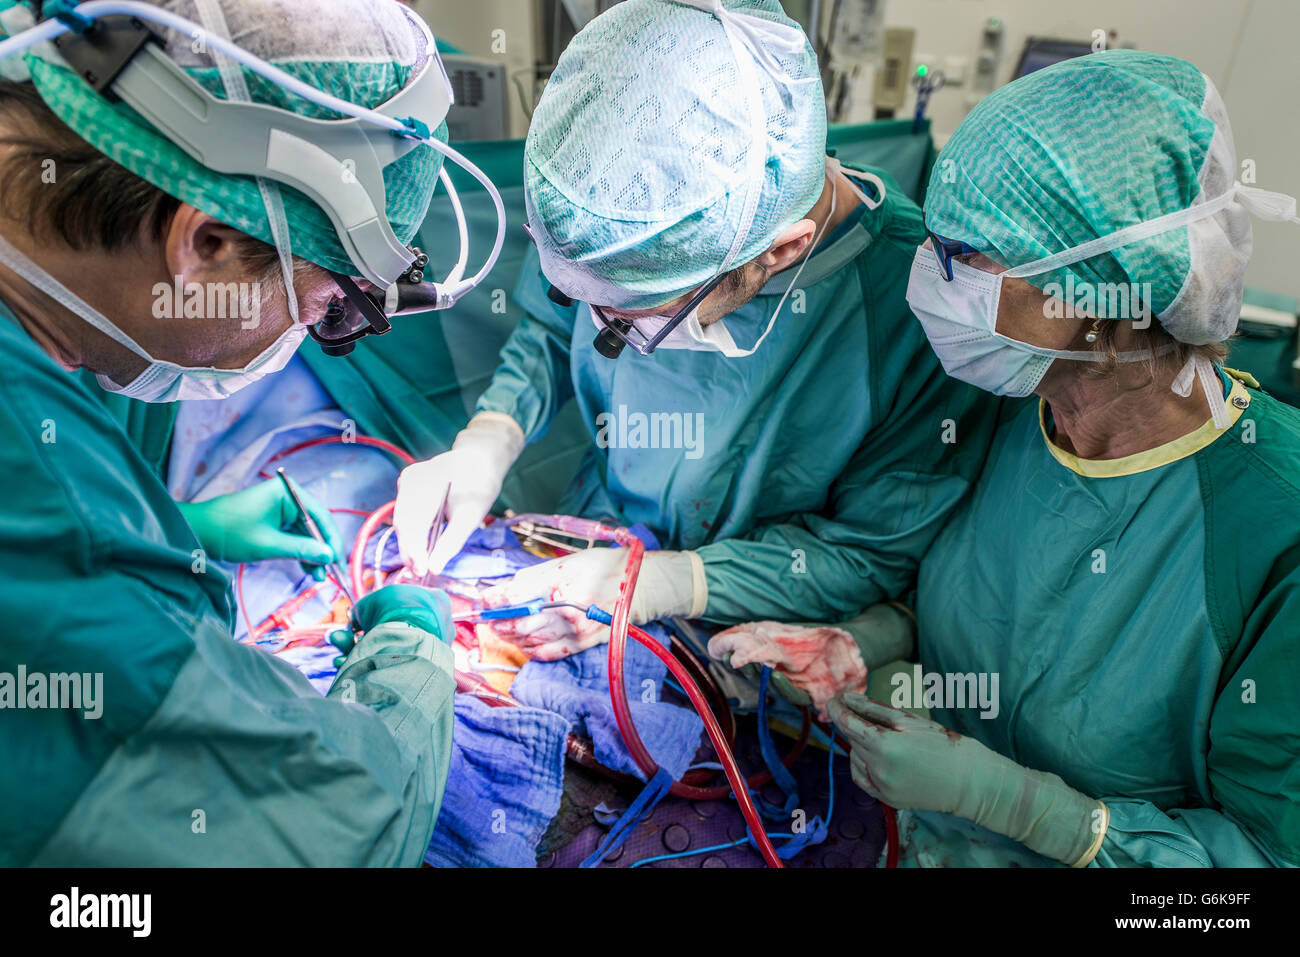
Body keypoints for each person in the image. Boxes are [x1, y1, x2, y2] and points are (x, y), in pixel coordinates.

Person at [722, 50, 1300, 867]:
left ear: (1107, 298)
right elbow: (1006, 611)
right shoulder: (1019, 410)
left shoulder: (1275, 528)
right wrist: (865, 644)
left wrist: (1026, 808)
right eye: (934, 244)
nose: (930, 275)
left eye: (968, 257)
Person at [0, 0, 483, 865]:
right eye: (328, 310)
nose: (309, 336)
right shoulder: (51, 510)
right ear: (208, 243)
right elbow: (335, 831)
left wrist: (178, 529)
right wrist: (410, 656)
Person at [393, 0, 999, 660]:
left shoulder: (910, 313)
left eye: (632, 318)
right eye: (592, 301)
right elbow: (548, 321)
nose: (602, 326)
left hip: (742, 616)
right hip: (596, 534)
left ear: (782, 251)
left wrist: (674, 583)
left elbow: (865, 551)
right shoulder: (613, 201)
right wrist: (492, 434)